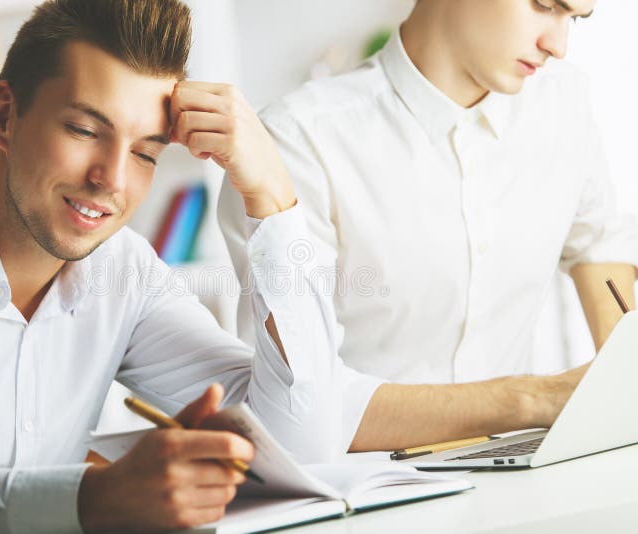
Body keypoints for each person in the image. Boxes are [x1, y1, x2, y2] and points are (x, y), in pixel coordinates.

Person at [0, 1, 376, 532]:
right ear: (3, 116)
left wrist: (272, 196)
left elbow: (301, 443)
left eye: (145, 153)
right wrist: (90, 500)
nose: (113, 179)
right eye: (84, 130)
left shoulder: (126, 274)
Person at [219, 0, 638, 452]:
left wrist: (619, 389)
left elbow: (597, 243)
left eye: (574, 18)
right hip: (368, 497)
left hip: (531, 485)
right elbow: (294, 403)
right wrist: (531, 400)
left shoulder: (563, 102)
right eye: (544, 5)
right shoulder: (298, 139)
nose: (558, 45)